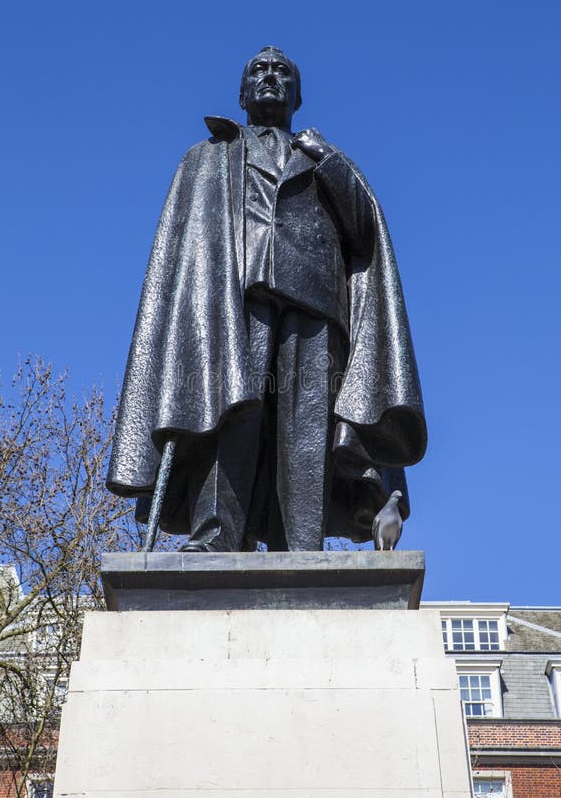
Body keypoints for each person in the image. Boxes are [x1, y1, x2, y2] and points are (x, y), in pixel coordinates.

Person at [106, 46, 427, 551]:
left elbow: (365, 231)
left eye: (283, 72)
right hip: (233, 302)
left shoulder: (322, 158)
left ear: (299, 95)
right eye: (260, 70)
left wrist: (330, 159)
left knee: (305, 431)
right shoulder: (207, 158)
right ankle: (214, 536)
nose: (271, 77)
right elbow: (183, 254)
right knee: (227, 412)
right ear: (241, 93)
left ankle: (300, 545)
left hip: (316, 303)